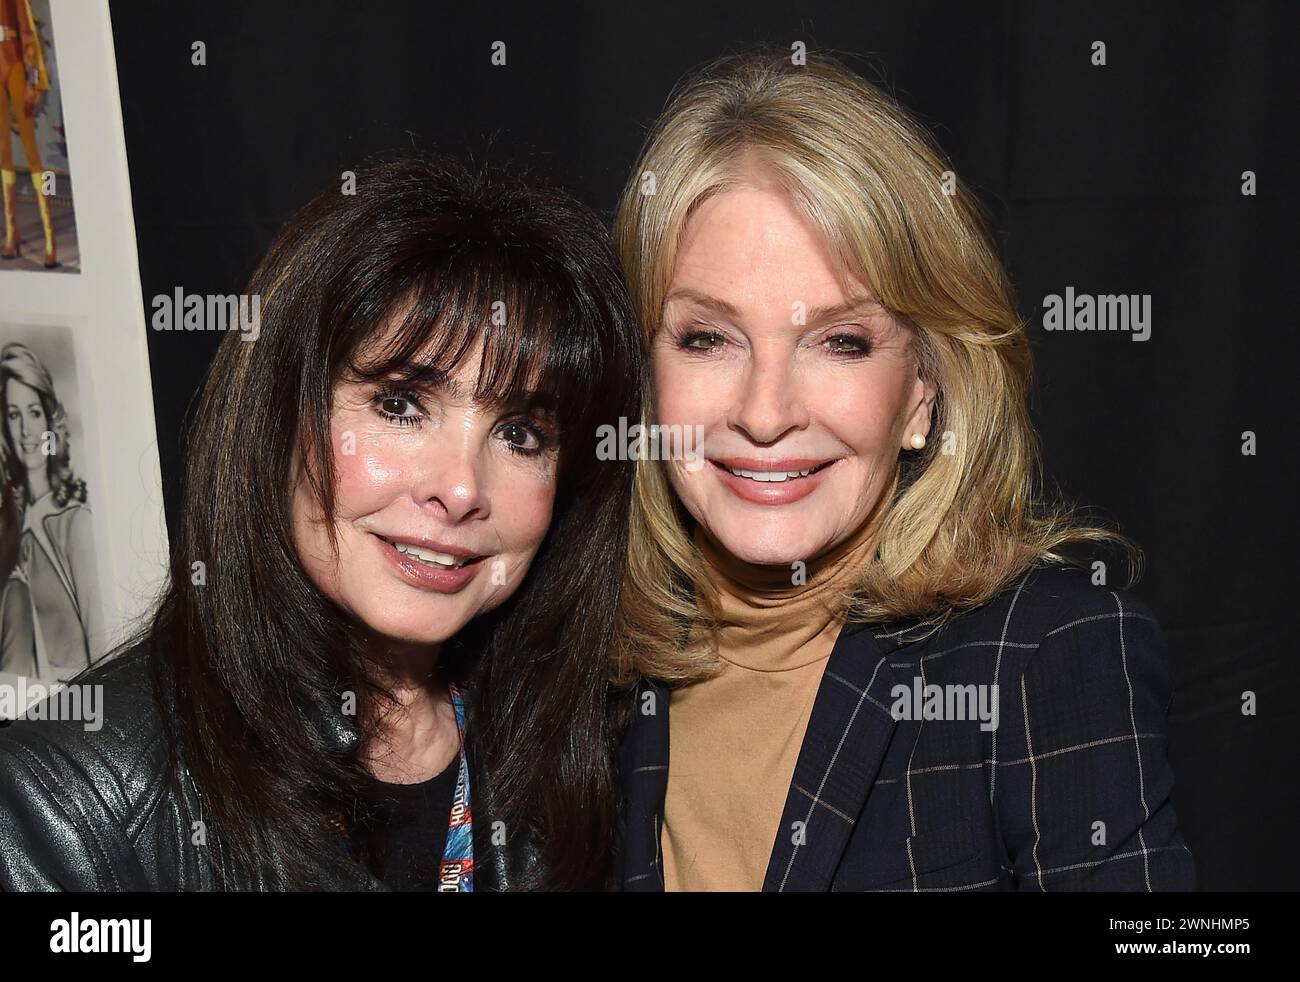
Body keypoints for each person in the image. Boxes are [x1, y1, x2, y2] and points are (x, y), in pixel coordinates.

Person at [612, 47, 1196, 891]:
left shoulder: (1046, 657)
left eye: (841, 343)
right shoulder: (583, 666)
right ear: (644, 373)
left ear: (923, 391)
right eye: (708, 337)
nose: (765, 412)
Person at [0, 155, 642, 891]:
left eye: (521, 434)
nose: (462, 488)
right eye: (400, 405)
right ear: (279, 417)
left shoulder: (571, 745)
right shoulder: (73, 807)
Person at [0, 342, 97, 679]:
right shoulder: (9, 529)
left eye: (34, 411)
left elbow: (106, 653)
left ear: (48, 418)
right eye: (13, 415)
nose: (26, 430)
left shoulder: (75, 524)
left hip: (76, 711)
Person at [0, 0, 57, 267]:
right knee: (3, 154)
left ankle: (49, 237)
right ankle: (13, 233)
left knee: (32, 152)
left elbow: (28, 34)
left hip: (14, 65)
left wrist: (32, 81)